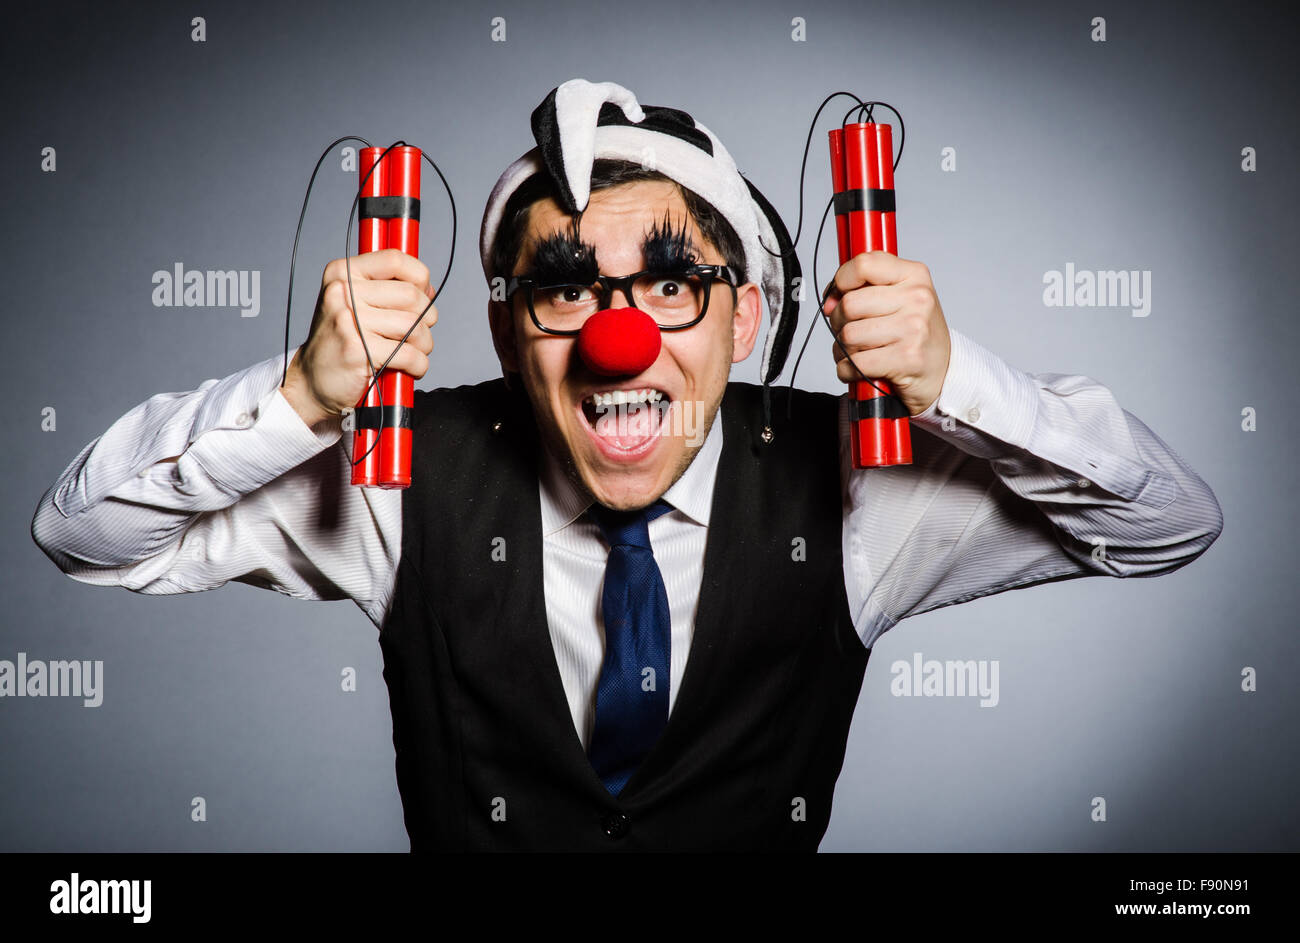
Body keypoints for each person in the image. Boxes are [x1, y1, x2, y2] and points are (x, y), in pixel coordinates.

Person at [31, 79, 1223, 851]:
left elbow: (1168, 522)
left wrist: (953, 379)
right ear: (505, 330)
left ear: (744, 321)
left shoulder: (857, 494)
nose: (620, 339)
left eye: (670, 284)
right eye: (561, 288)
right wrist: (298, 395)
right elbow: (82, 534)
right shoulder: (401, 482)